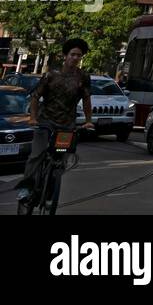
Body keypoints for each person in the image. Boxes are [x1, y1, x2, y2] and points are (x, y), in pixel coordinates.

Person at [13, 38, 93, 205]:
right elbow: (35, 97)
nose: (76, 58)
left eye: (79, 55)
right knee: (36, 155)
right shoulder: (51, 75)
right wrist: (33, 118)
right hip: (45, 122)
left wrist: (88, 121)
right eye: (73, 54)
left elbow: (86, 100)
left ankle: (50, 187)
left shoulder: (83, 77)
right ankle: (26, 188)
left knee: (60, 160)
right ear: (65, 55)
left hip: (66, 125)